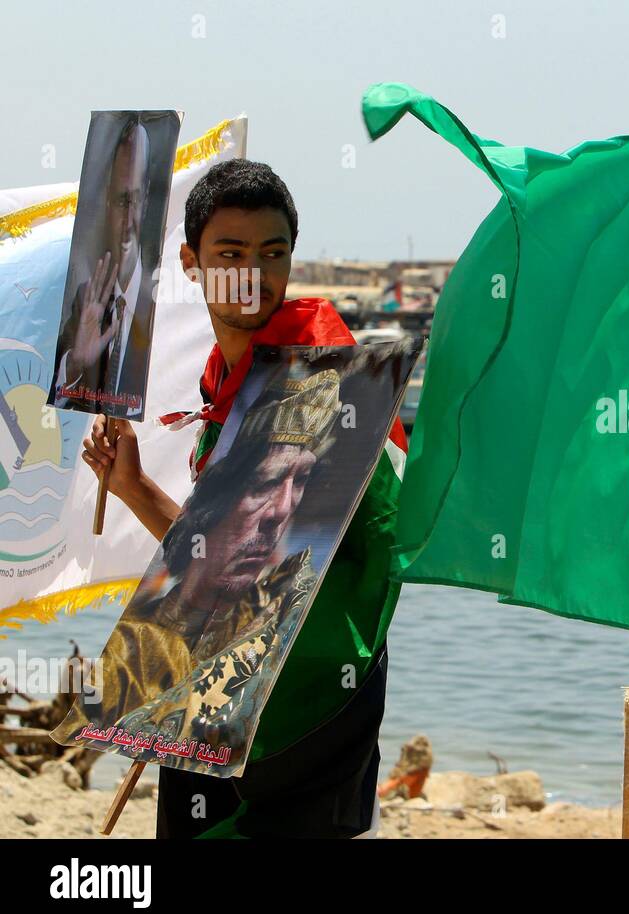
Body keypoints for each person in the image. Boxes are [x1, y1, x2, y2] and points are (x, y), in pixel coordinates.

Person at [80, 159, 406, 838]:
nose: (253, 273)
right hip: (219, 694)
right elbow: (227, 558)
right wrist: (134, 487)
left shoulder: (317, 379)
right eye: (230, 253)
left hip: (303, 710)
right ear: (190, 262)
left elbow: (265, 572)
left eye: (272, 253)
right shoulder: (227, 385)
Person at [54, 116, 151, 417]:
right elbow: (54, 412)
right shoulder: (85, 301)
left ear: (147, 200)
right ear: (108, 203)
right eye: (122, 202)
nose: (128, 220)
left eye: (136, 200)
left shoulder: (165, 298)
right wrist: (76, 365)